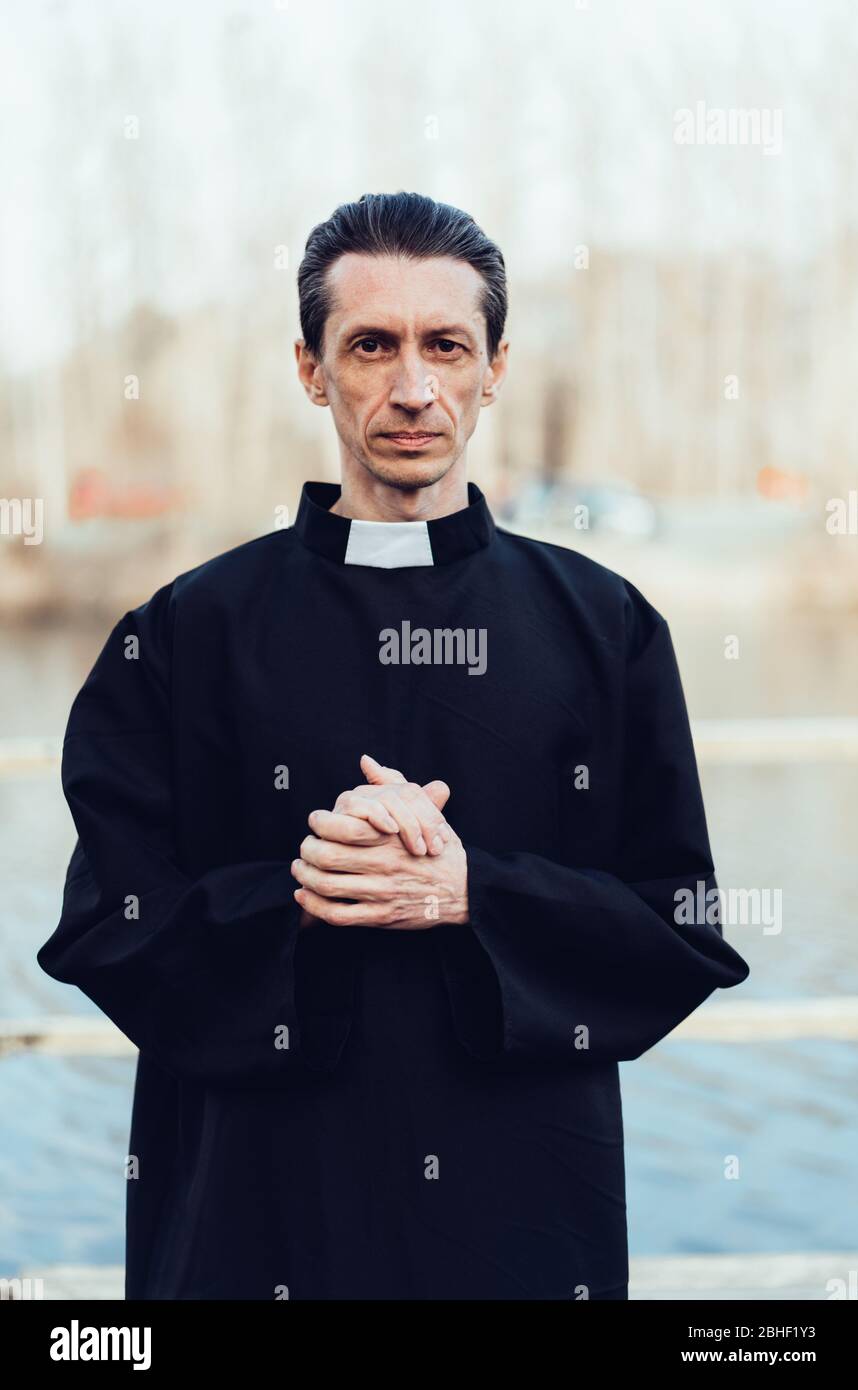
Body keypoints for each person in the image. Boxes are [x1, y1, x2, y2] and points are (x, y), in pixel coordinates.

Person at [37, 191, 750, 1301]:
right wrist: (308, 894)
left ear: (495, 364)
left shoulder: (601, 627)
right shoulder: (183, 635)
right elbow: (104, 928)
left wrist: (475, 894)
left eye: (444, 346)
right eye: (370, 345)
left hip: (518, 1225)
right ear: (312, 368)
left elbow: (683, 929)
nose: (412, 388)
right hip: (250, 1218)